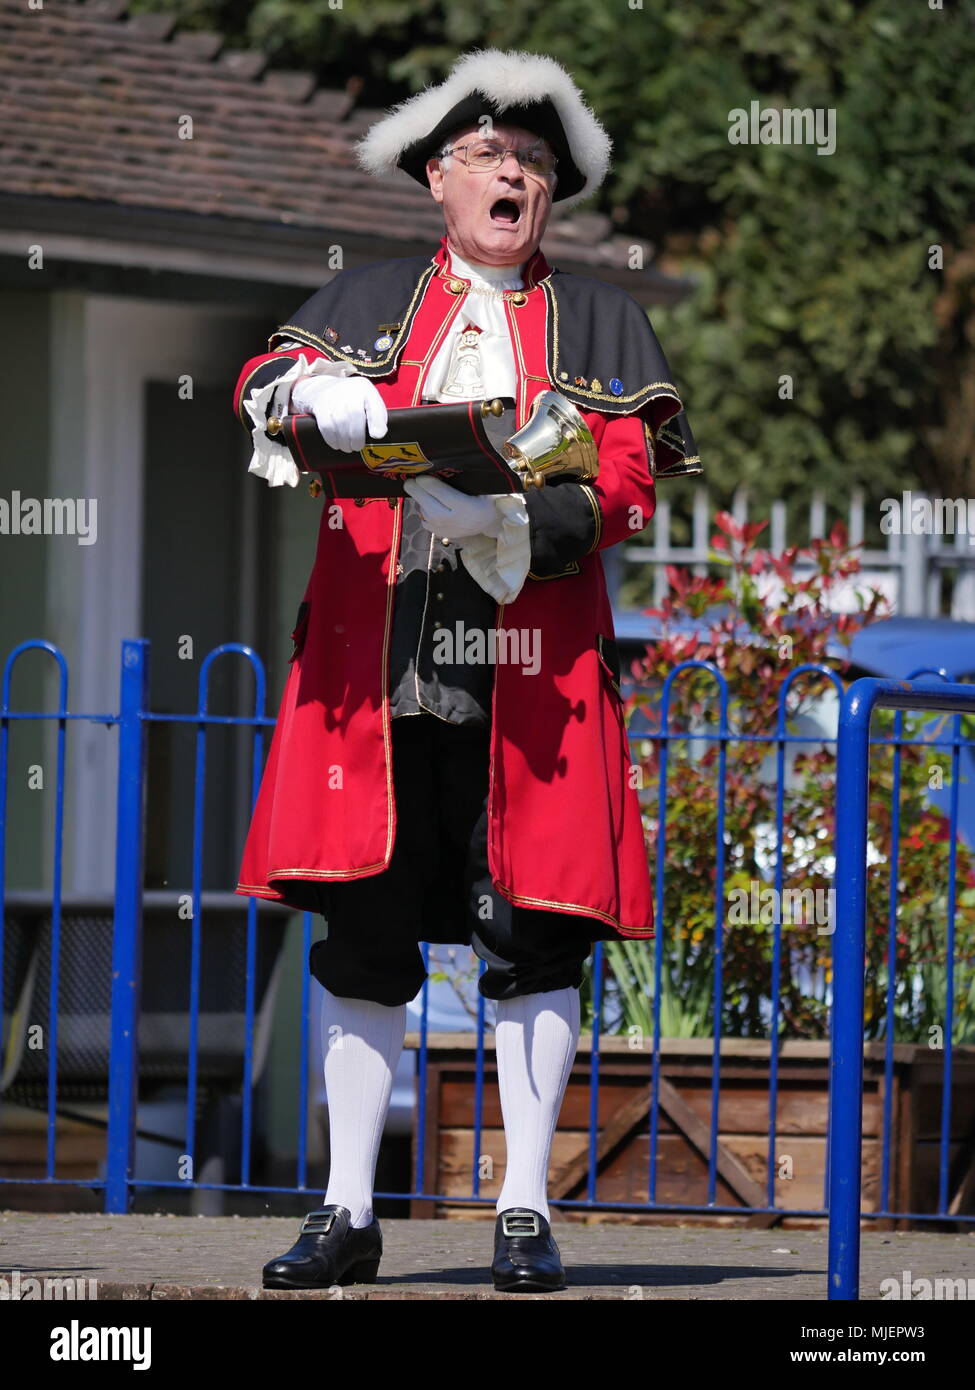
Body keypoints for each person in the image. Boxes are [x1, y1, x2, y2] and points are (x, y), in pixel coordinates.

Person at [233, 48, 701, 1293]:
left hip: (531, 680)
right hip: (374, 672)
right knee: (361, 931)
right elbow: (259, 384)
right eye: (495, 157)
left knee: (533, 933)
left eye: (539, 164)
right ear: (439, 177)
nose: (518, 177)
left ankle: (522, 1208)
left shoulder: (604, 319)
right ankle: (344, 1212)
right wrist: (307, 392)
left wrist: (523, 524)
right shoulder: (367, 295)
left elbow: (627, 481)